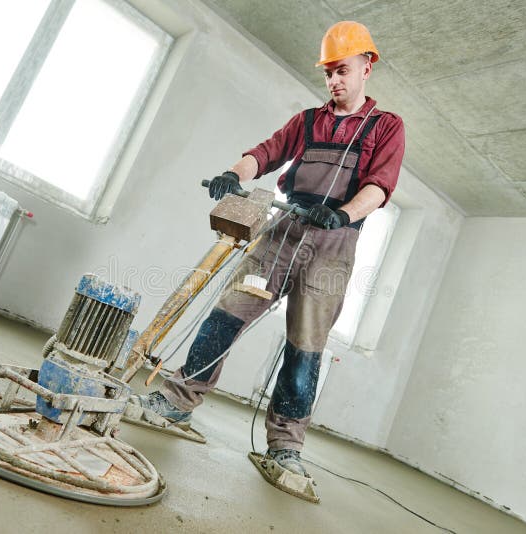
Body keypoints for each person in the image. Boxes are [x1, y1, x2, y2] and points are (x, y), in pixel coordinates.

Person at [132, 20, 405, 485]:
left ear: (367, 66)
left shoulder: (387, 127)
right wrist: (233, 174)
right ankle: (177, 402)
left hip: (333, 245)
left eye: (342, 70)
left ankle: (285, 447)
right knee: (227, 313)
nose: (334, 80)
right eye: (328, 73)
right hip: (283, 232)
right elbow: (265, 153)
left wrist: (341, 214)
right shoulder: (308, 121)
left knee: (305, 345)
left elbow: (380, 186)